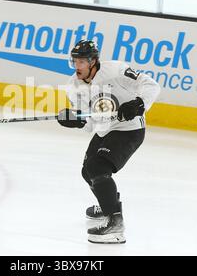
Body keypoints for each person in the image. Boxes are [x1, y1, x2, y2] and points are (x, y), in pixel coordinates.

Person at [57, 39, 160, 244]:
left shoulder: (116, 70)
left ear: (93, 61)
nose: (77, 66)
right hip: (105, 130)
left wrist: (138, 104)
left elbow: (151, 85)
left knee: (97, 166)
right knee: (88, 171)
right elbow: (89, 123)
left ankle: (116, 226)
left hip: (129, 129)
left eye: (82, 62)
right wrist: (76, 121)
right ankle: (108, 204)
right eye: (75, 62)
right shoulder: (73, 86)